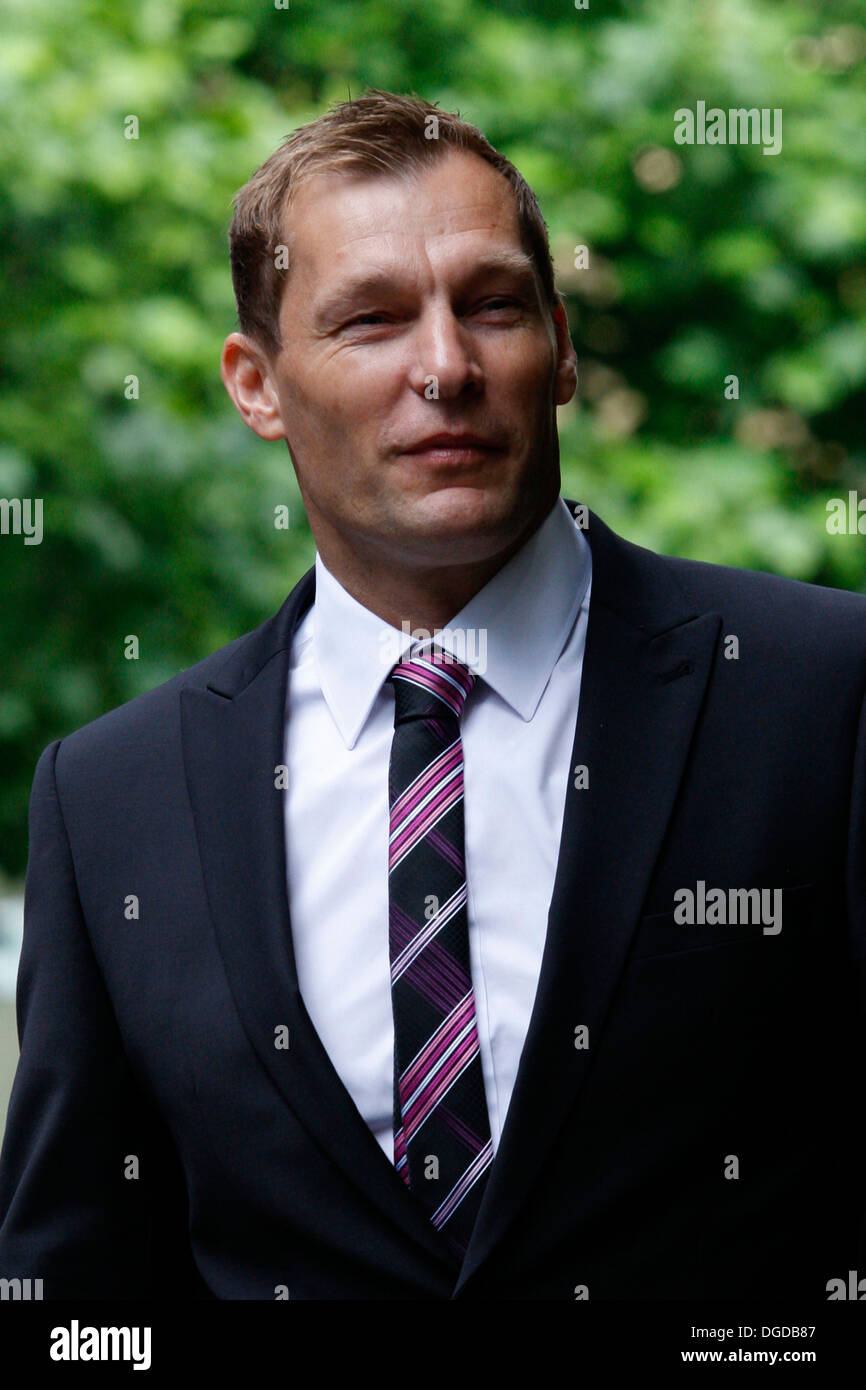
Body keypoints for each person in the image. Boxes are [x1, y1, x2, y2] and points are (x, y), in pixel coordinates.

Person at [1, 88, 864, 1301]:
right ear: (255, 384)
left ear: (559, 348)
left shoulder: (824, 693)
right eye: (370, 321)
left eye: (493, 306)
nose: (445, 367)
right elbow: (77, 1288)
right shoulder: (108, 801)